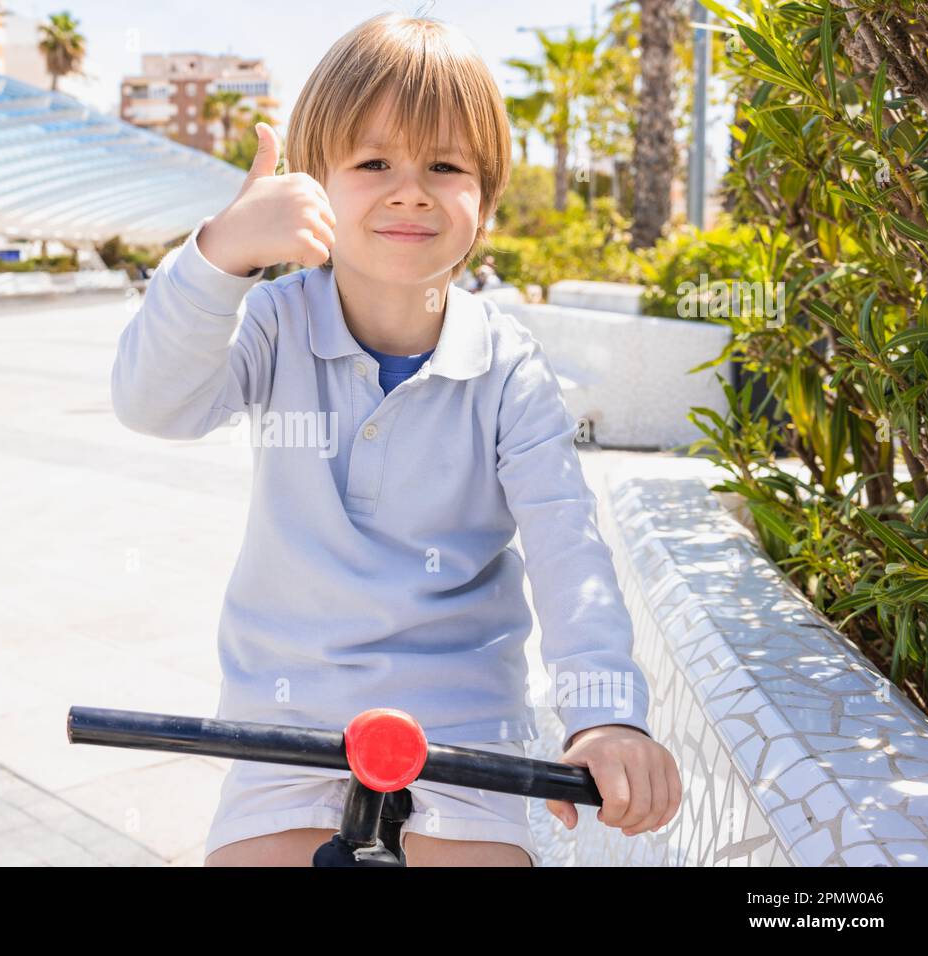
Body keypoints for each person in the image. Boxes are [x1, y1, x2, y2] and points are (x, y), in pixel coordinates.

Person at [111, 11, 680, 867]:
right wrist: (220, 255)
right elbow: (156, 403)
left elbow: (570, 549)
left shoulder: (508, 366)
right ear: (313, 187)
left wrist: (606, 712)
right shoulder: (272, 320)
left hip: (461, 729)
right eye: (373, 162)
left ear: (484, 202)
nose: (409, 189)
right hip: (285, 721)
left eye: (444, 166)